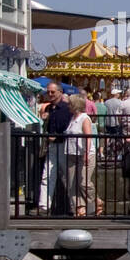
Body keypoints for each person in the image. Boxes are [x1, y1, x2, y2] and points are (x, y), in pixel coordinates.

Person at [38, 82, 72, 215]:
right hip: (52, 146)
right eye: (48, 92)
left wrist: (56, 136)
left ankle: (74, 205)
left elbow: (69, 128)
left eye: (53, 92)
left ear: (60, 92)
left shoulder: (65, 108)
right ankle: (44, 206)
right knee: (47, 175)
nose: (50, 94)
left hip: (63, 144)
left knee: (68, 176)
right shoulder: (49, 109)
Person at [64, 93, 98, 216]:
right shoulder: (72, 118)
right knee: (72, 182)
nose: (68, 106)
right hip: (71, 152)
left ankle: (94, 201)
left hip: (83, 153)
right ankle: (79, 207)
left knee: (84, 182)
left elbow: (88, 137)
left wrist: (86, 153)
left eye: (70, 104)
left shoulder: (84, 118)